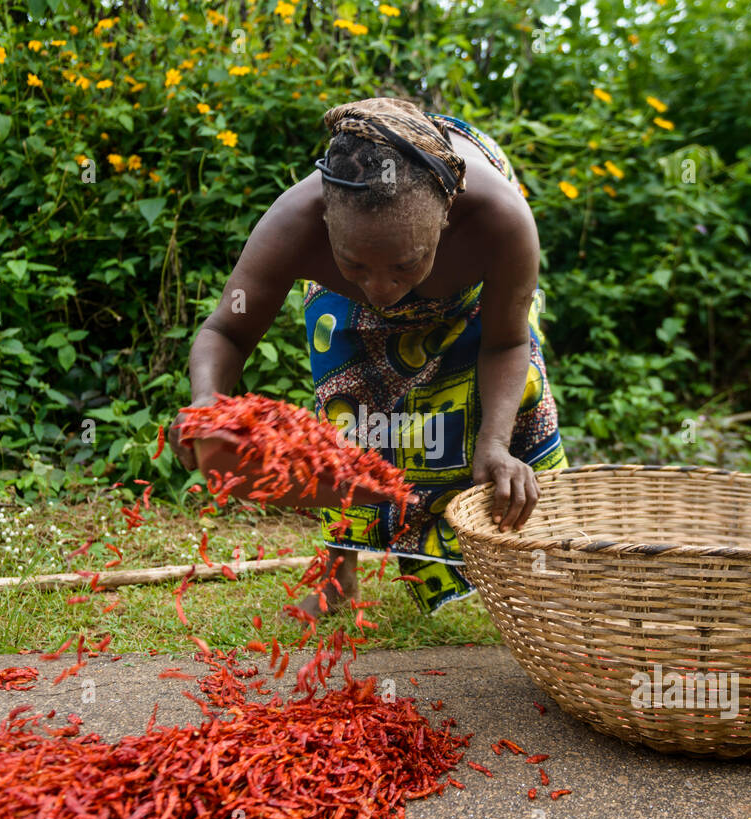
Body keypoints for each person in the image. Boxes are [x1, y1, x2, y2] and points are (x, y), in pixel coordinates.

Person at [176, 96, 567, 617]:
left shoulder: (500, 221)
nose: (382, 291)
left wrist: (494, 443)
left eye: (405, 266)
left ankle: (525, 568)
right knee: (352, 421)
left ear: (446, 220)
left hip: (470, 297)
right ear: (326, 225)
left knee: (498, 415)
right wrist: (209, 406)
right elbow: (227, 330)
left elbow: (506, 342)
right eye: (354, 264)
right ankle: (341, 568)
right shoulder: (295, 220)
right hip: (345, 305)